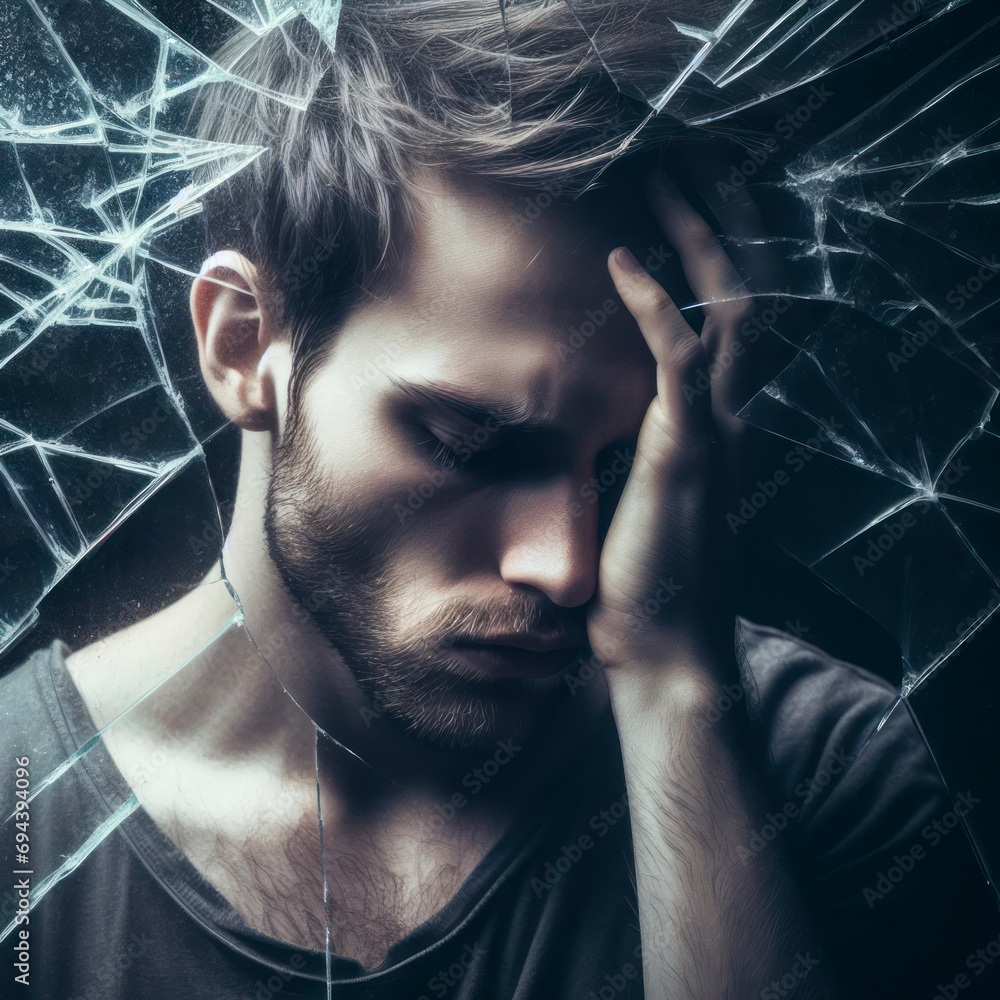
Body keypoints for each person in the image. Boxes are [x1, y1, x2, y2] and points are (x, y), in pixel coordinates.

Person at [1, 4, 994, 998]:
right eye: (468, 443)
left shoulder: (818, 770)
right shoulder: (17, 813)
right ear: (241, 344)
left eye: (632, 461)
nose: (564, 565)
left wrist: (672, 686)